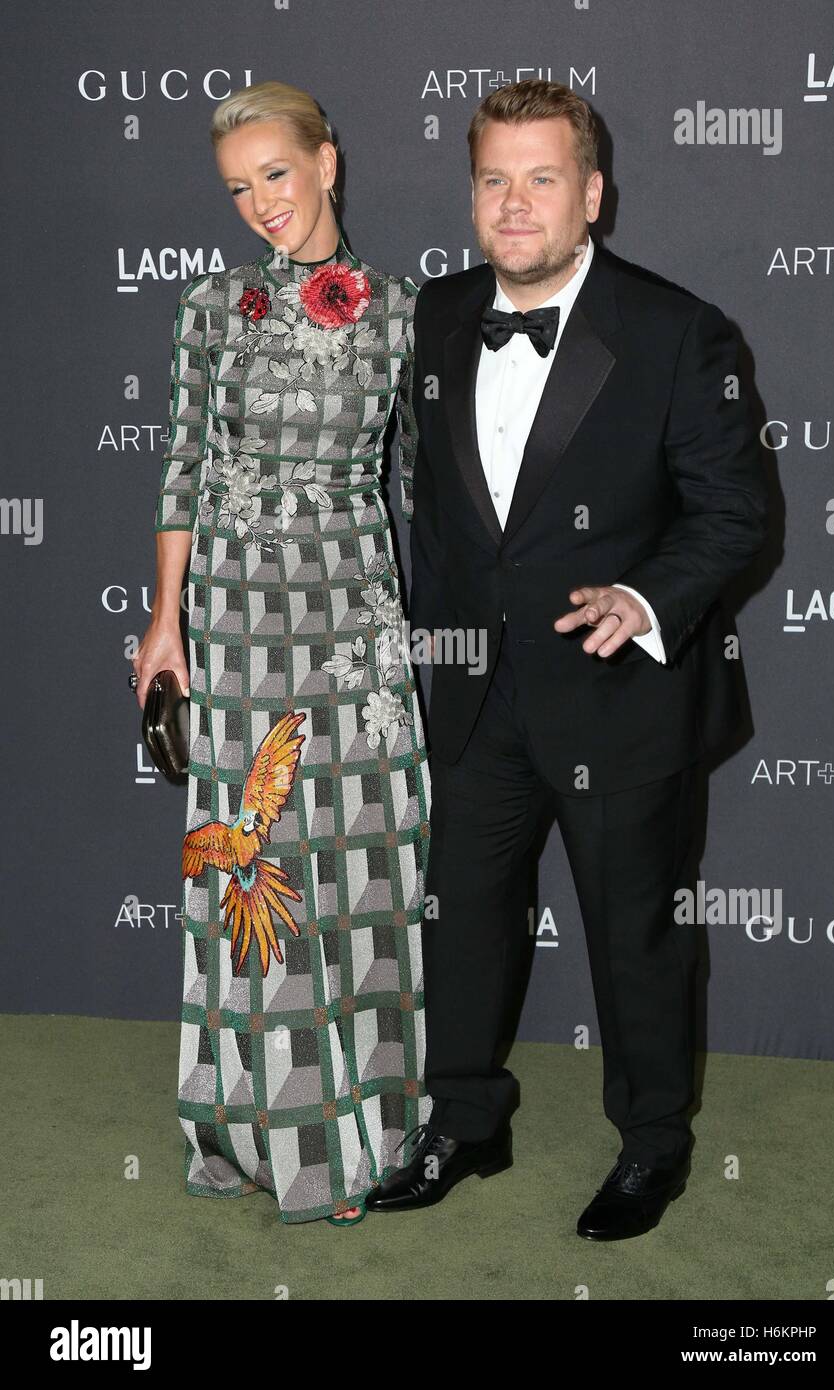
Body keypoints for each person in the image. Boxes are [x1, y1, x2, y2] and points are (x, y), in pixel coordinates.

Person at [364, 79, 769, 1239]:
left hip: (619, 694)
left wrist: (645, 594)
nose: (515, 203)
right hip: (476, 699)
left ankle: (651, 1146)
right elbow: (433, 511)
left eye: (542, 178)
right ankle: (463, 1120)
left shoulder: (678, 331)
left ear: (591, 193)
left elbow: (732, 512)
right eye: (494, 178)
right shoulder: (436, 316)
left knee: (633, 932)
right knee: (462, 918)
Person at [132, 80, 432, 1226]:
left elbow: (426, 486)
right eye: (237, 186)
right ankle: (254, 1129)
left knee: (361, 871)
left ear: (327, 162)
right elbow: (182, 469)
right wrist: (167, 620)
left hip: (351, 614)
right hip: (241, 616)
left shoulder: (401, 310)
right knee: (254, 867)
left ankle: (360, 1141)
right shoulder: (210, 305)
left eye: (275, 173)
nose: (259, 202)